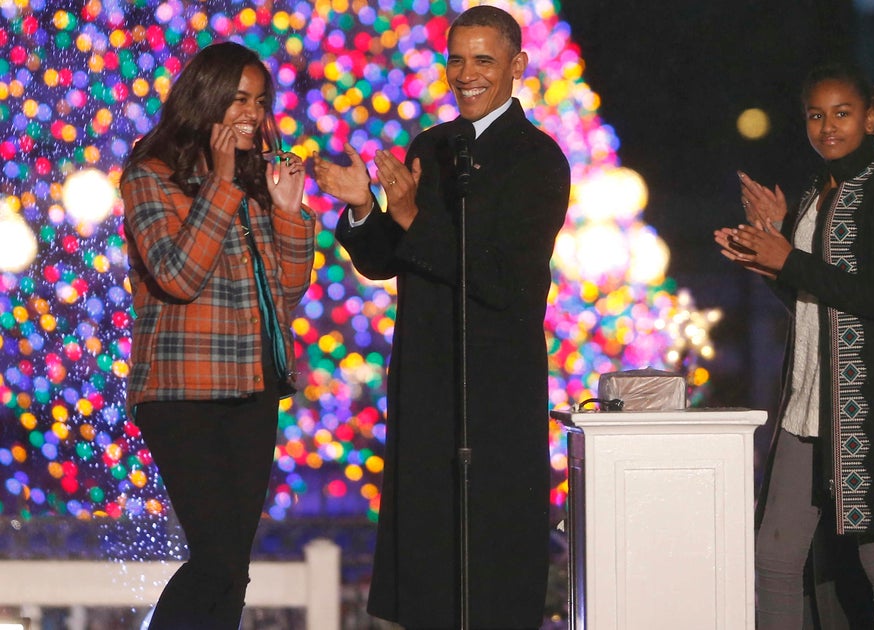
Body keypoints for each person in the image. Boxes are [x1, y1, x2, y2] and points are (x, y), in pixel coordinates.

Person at [312, 5, 570, 629]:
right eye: (457, 59)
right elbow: (386, 262)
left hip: (495, 394)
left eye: (484, 59)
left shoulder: (538, 159)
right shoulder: (432, 144)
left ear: (517, 66)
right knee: (426, 572)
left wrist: (411, 218)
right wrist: (364, 209)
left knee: (490, 574)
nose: (467, 73)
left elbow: (507, 281)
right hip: (427, 383)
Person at [717, 62, 874, 630]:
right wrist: (767, 262)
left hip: (867, 404)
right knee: (773, 558)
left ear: (869, 118)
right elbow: (812, 307)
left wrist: (787, 258)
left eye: (842, 113)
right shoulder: (816, 192)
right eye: (815, 116)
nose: (828, 127)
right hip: (808, 403)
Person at [120, 41, 315, 629]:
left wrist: (287, 210)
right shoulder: (149, 175)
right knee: (216, 557)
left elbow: (286, 290)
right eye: (238, 100)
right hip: (180, 393)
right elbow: (178, 275)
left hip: (251, 390)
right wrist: (223, 183)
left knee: (234, 566)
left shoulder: (259, 179)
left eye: (259, 101)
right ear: (205, 101)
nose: (252, 114)